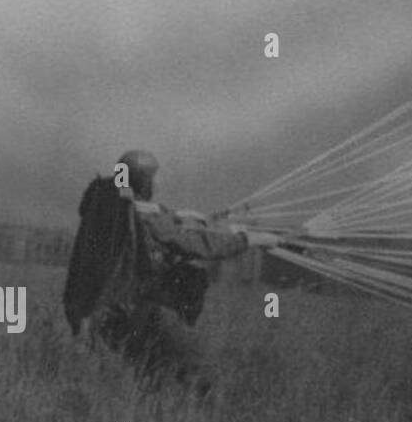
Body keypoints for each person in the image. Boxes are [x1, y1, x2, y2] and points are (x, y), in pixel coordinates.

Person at [63, 149, 280, 394]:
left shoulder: (105, 201)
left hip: (101, 309)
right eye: (154, 177)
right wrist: (249, 239)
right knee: (194, 370)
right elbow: (197, 244)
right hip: (132, 309)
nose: (159, 182)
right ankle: (197, 407)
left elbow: (140, 208)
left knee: (149, 369)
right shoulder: (146, 220)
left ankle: (152, 398)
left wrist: (178, 215)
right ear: (144, 182)